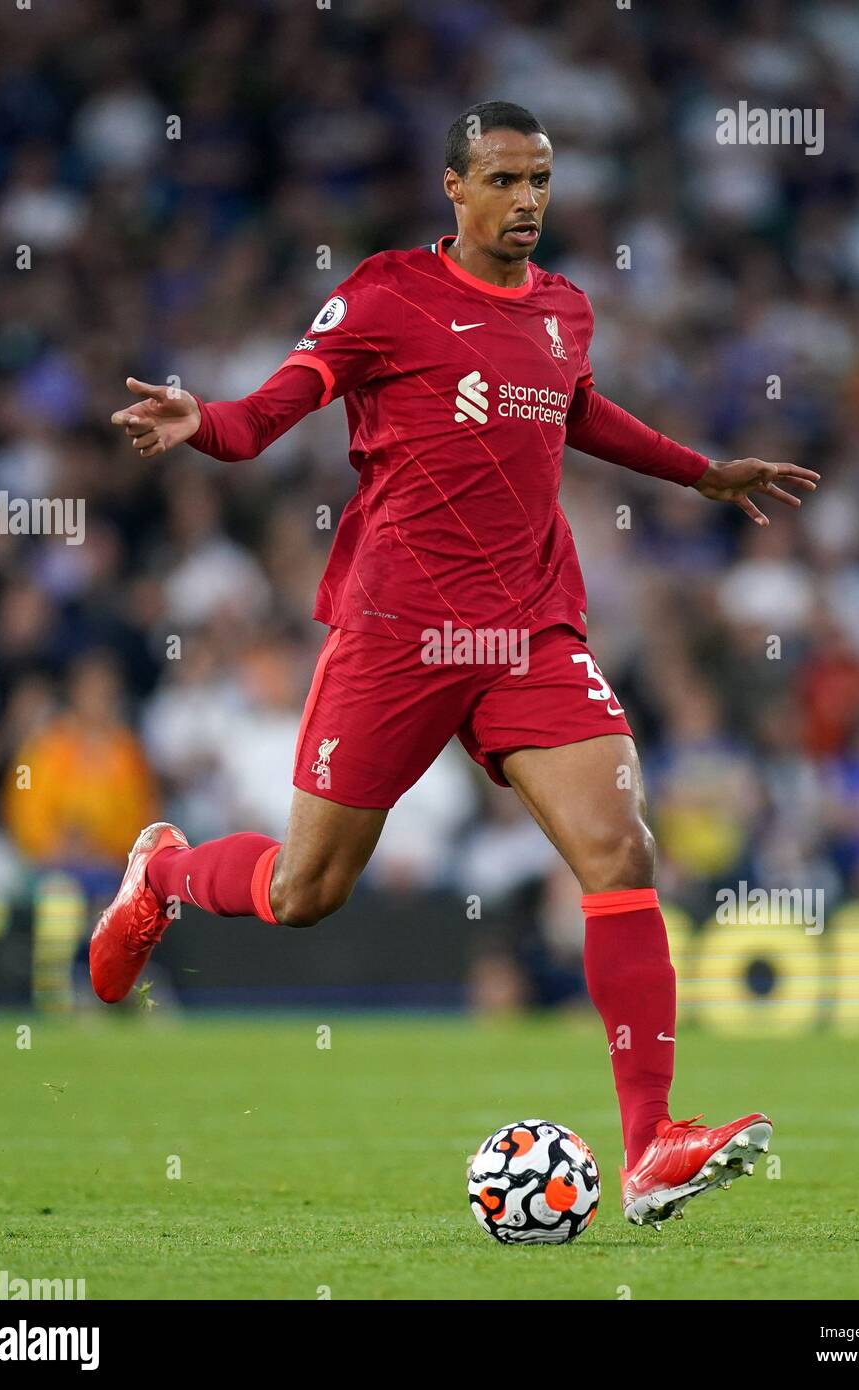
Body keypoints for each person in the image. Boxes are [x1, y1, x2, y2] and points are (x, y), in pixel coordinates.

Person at [92, 101, 818, 1228]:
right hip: (398, 632)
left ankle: (650, 1143)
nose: (528, 199)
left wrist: (701, 473)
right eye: (505, 179)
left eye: (541, 179)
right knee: (306, 891)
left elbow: (575, 411)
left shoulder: (566, 309)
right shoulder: (386, 294)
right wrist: (210, 420)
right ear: (454, 187)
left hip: (530, 629)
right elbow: (277, 407)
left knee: (619, 846)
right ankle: (165, 876)